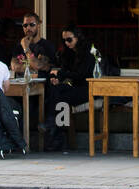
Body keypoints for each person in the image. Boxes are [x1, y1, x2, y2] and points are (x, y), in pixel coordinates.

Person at [42, 23, 94, 152]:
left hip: (88, 88)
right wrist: (58, 78)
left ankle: (54, 130)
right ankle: (57, 133)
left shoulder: (88, 53)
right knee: (56, 92)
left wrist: (62, 74)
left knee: (59, 97)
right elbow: (67, 71)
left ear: (78, 38)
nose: (66, 43)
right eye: (64, 40)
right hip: (75, 87)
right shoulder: (69, 53)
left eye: (69, 39)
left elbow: (82, 75)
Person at [11, 11, 55, 78]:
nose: (28, 28)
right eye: (25, 25)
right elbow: (15, 67)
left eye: (32, 25)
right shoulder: (19, 46)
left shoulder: (47, 45)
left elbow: (38, 66)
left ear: (38, 25)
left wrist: (26, 48)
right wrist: (33, 66)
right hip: (21, 85)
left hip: (40, 85)